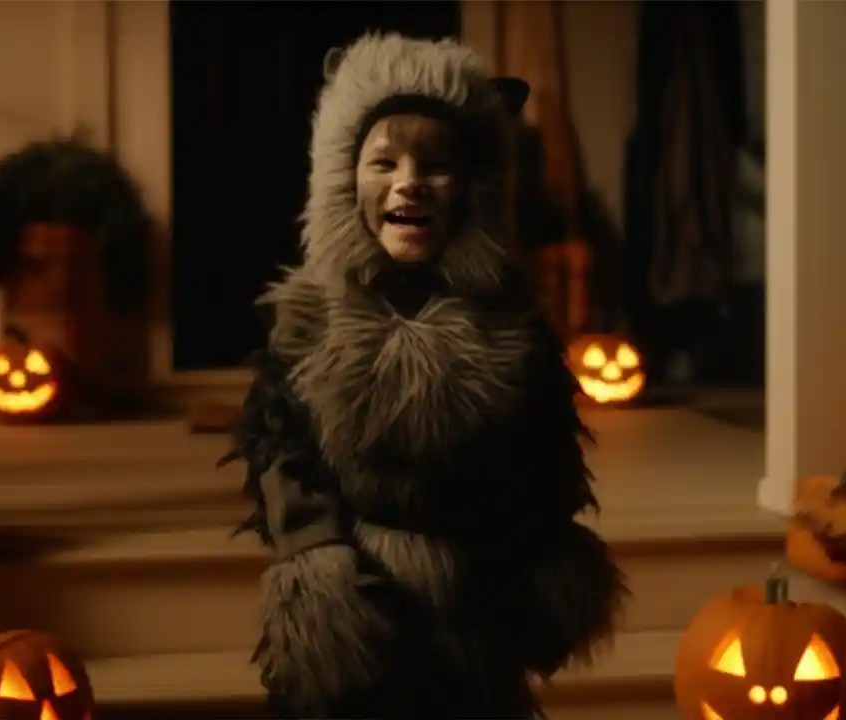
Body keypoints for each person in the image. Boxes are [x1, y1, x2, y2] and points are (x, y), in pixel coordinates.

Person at [223, 32, 625, 719]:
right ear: (344, 181)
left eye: (436, 166)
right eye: (384, 162)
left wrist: (539, 554)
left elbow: (543, 454)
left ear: (473, 188)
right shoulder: (308, 321)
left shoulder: (510, 327)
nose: (409, 181)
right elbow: (281, 448)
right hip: (360, 600)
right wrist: (314, 555)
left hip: (472, 598)